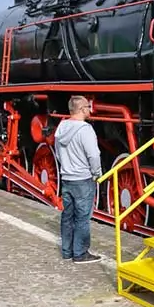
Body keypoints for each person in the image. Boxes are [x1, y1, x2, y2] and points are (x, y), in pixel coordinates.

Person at [54, 95, 102, 264]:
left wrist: (66, 168)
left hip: (67, 178)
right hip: (83, 179)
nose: (90, 109)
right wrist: (97, 173)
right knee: (82, 217)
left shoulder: (61, 127)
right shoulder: (85, 130)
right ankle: (80, 253)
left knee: (67, 215)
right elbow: (94, 155)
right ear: (82, 109)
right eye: (88, 107)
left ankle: (67, 251)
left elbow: (58, 154)